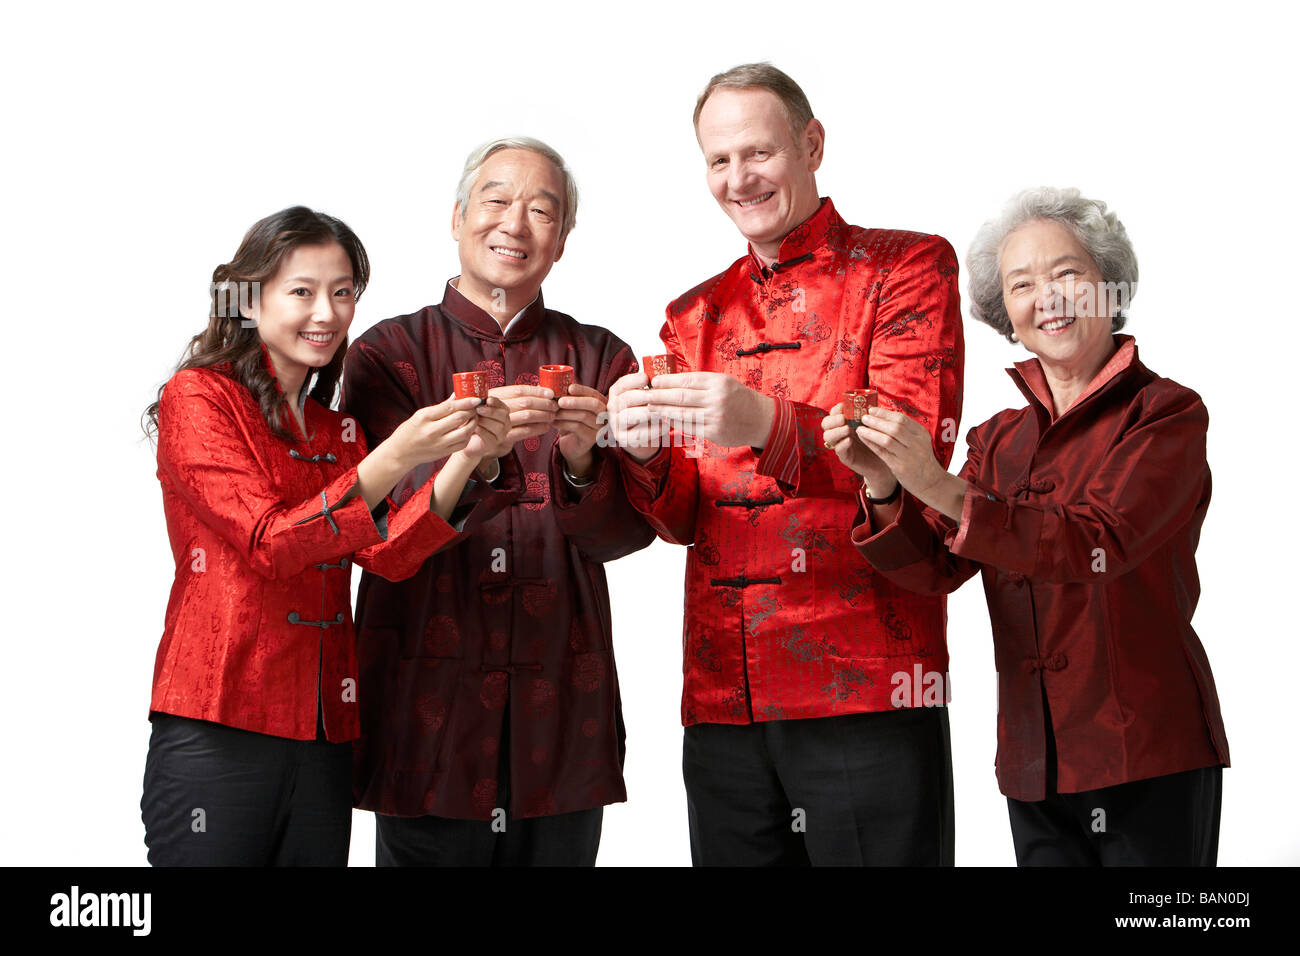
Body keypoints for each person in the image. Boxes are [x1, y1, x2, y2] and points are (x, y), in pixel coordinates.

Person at [607, 63, 965, 866]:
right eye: (718, 161)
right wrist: (638, 453)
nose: (739, 178)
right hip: (722, 699)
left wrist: (764, 421)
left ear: (811, 144)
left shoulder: (907, 268)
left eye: (759, 152)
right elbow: (676, 518)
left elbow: (917, 453)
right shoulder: (691, 314)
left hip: (866, 679)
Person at [833, 186, 1230, 866]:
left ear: (1109, 288)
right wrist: (881, 482)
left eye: (1068, 274)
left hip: (1147, 750)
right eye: (1023, 285)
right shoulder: (998, 440)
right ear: (1006, 313)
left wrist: (935, 481)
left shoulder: (1165, 414)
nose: (1047, 297)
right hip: (1033, 759)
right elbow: (936, 569)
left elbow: (1096, 541)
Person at [141, 206, 514, 865]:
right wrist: (394, 457)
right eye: (303, 291)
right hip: (219, 722)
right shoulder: (198, 397)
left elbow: (388, 556)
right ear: (249, 300)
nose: (327, 313)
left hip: (323, 736)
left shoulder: (333, 428)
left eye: (343, 293)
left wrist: (469, 455)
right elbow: (269, 543)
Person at [342, 137, 655, 867]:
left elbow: (626, 536)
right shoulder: (386, 355)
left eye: (542, 210)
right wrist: (473, 460)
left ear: (562, 242)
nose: (515, 223)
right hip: (429, 711)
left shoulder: (604, 358)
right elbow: (376, 534)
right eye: (496, 200)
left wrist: (581, 460)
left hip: (561, 710)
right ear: (456, 218)